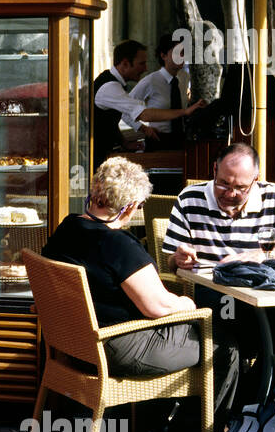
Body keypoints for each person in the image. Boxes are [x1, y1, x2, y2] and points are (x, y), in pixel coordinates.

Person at [162, 143, 275, 420]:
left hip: (265, 299)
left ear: (255, 182)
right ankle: (235, 416)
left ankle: (246, 407)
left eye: (240, 188)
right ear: (214, 169)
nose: (231, 193)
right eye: (223, 183)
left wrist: (264, 254)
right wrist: (179, 260)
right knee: (230, 344)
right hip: (211, 301)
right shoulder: (190, 199)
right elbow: (167, 262)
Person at [42, 157, 200, 376]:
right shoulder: (119, 245)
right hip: (116, 348)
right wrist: (188, 304)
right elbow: (158, 307)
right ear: (130, 207)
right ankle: (215, 411)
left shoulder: (67, 228)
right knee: (220, 343)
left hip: (73, 347)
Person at [93, 40, 204, 160]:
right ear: (125, 64)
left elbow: (110, 122)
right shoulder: (110, 87)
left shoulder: (113, 83)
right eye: (141, 64)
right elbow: (144, 114)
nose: (145, 68)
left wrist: (124, 142)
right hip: (96, 155)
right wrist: (185, 112)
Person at [131, 32, 193, 150]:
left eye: (183, 53)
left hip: (182, 139)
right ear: (163, 55)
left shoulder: (184, 77)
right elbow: (125, 110)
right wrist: (143, 128)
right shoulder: (151, 81)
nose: (181, 57)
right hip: (159, 139)